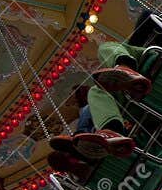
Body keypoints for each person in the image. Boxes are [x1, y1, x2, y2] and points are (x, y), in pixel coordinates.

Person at [46, 41, 152, 181]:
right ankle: (90, 141)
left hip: (138, 108)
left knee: (94, 94)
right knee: (93, 97)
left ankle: (96, 138)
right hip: (143, 106)